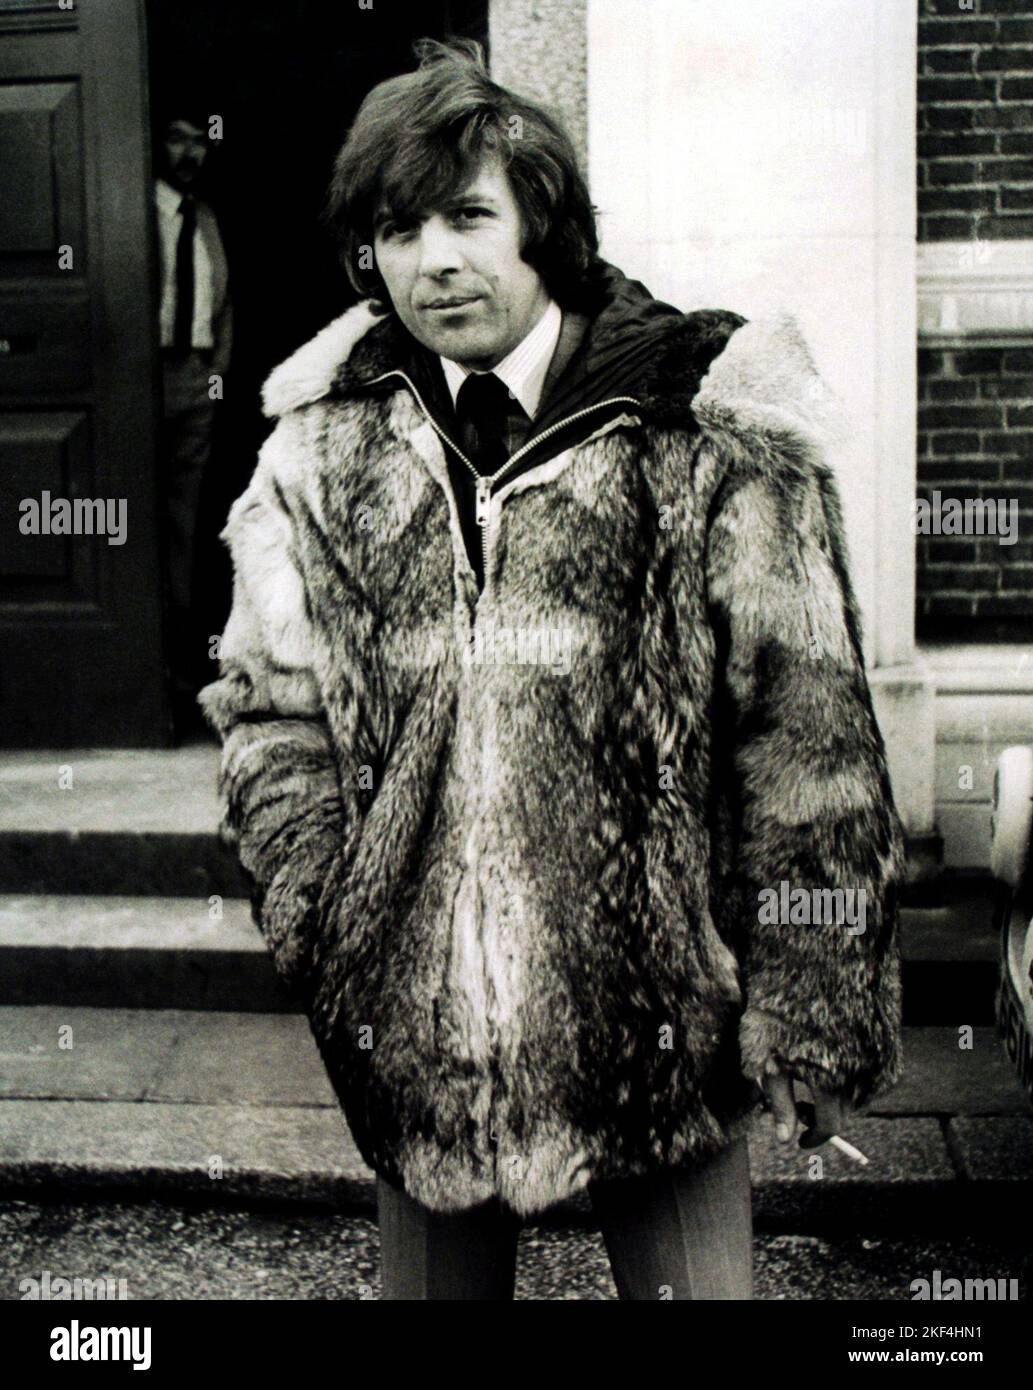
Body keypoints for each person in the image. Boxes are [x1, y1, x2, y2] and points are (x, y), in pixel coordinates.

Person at [199, 40, 904, 1301]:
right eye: (397, 228)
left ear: (543, 222)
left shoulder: (703, 428)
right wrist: (331, 920)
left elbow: (811, 738)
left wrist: (807, 1004)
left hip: (663, 1028)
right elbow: (270, 711)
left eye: (469, 215)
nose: (435, 261)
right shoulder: (320, 448)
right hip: (422, 1042)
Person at [154, 108, 232, 720]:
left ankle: (181, 655)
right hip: (139, 376)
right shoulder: (132, 211)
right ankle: (139, 658)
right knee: (130, 515)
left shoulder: (203, 219)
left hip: (195, 376)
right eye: (176, 140)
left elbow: (224, 305)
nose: (189, 153)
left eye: (198, 142)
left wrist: (216, 373)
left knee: (187, 516)